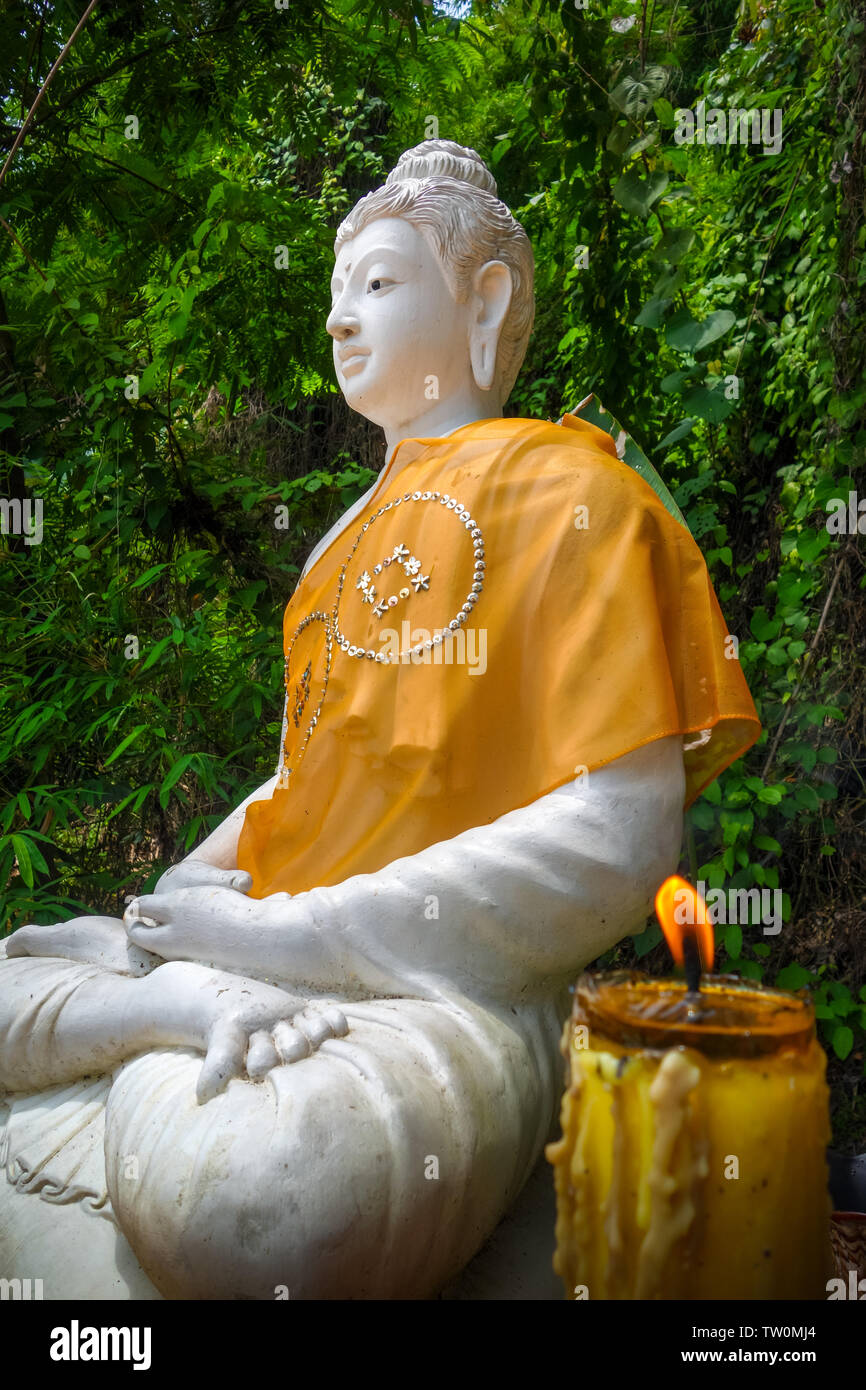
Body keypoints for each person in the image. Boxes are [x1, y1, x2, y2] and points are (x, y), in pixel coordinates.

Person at [0, 141, 759, 1299]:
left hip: (439, 980)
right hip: (263, 935)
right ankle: (175, 1008)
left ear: (483, 298)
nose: (339, 322)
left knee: (262, 1198)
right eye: (334, 294)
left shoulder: (576, 492)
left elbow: (619, 832)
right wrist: (184, 904)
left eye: (378, 284)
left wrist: (299, 938)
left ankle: (154, 1026)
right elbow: (302, 777)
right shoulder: (334, 544)